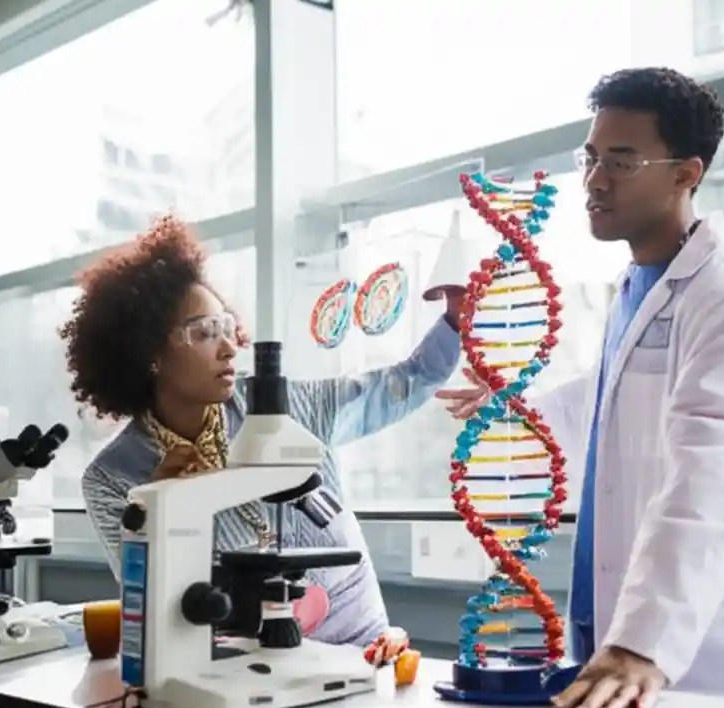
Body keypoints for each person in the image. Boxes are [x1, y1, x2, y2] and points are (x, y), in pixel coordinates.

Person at [437, 68, 724, 708]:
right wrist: (524, 412)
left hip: (693, 651)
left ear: (686, 174)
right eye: (590, 158)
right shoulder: (638, 286)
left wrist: (644, 642)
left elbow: (714, 474)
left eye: (621, 160)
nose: (593, 180)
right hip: (604, 630)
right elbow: (613, 398)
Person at [63, 215, 462, 657]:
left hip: (363, 654)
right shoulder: (113, 479)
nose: (230, 347)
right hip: (243, 666)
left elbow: (411, 379)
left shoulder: (288, 407)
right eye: (204, 332)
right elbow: (152, 608)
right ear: (150, 353)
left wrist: (456, 320)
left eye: (228, 328)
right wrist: (161, 511)